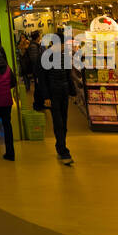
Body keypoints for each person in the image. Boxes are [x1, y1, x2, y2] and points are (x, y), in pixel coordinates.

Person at [34, 30, 74, 165]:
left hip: (64, 92)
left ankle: (61, 145)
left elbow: (68, 75)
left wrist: (72, 92)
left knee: (64, 120)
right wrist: (46, 96)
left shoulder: (64, 55)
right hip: (53, 94)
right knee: (58, 122)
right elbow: (42, 79)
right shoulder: (44, 56)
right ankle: (63, 150)